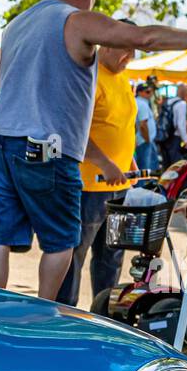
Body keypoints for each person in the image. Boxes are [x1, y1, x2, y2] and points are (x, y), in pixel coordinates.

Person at [0, 0, 187, 302]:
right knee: (61, 242)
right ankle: (42, 316)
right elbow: (146, 37)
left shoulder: (16, 25)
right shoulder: (76, 18)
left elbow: (1, 82)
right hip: (45, 148)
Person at [59, 29, 138, 308]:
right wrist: (106, 163)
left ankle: (104, 315)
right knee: (74, 256)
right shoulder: (90, 78)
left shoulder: (124, 78)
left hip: (120, 186)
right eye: (127, 49)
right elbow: (76, 130)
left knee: (112, 258)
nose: (131, 57)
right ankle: (64, 314)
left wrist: (129, 161)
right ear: (107, 44)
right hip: (89, 187)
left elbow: (122, 125)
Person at [134, 81, 159, 173]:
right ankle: (143, 186)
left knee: (143, 168)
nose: (150, 94)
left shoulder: (140, 102)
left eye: (151, 92)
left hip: (142, 140)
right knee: (144, 169)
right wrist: (148, 140)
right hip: (143, 141)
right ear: (140, 92)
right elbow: (143, 125)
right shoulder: (142, 104)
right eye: (147, 92)